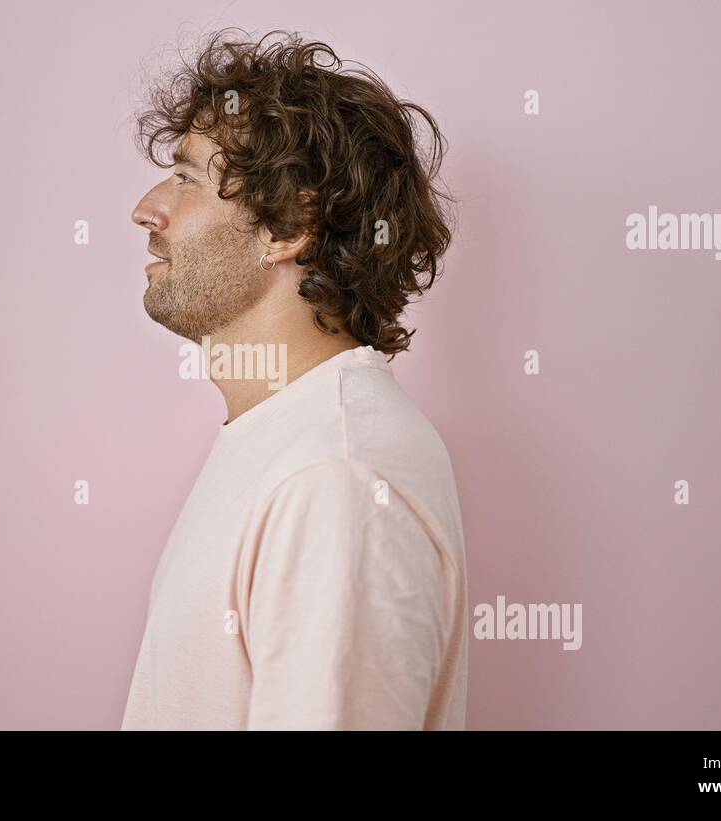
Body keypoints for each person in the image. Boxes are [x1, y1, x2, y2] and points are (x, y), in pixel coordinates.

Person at [122, 28, 467, 730]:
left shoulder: (335, 478)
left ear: (289, 224)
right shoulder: (288, 444)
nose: (147, 209)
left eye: (187, 177)